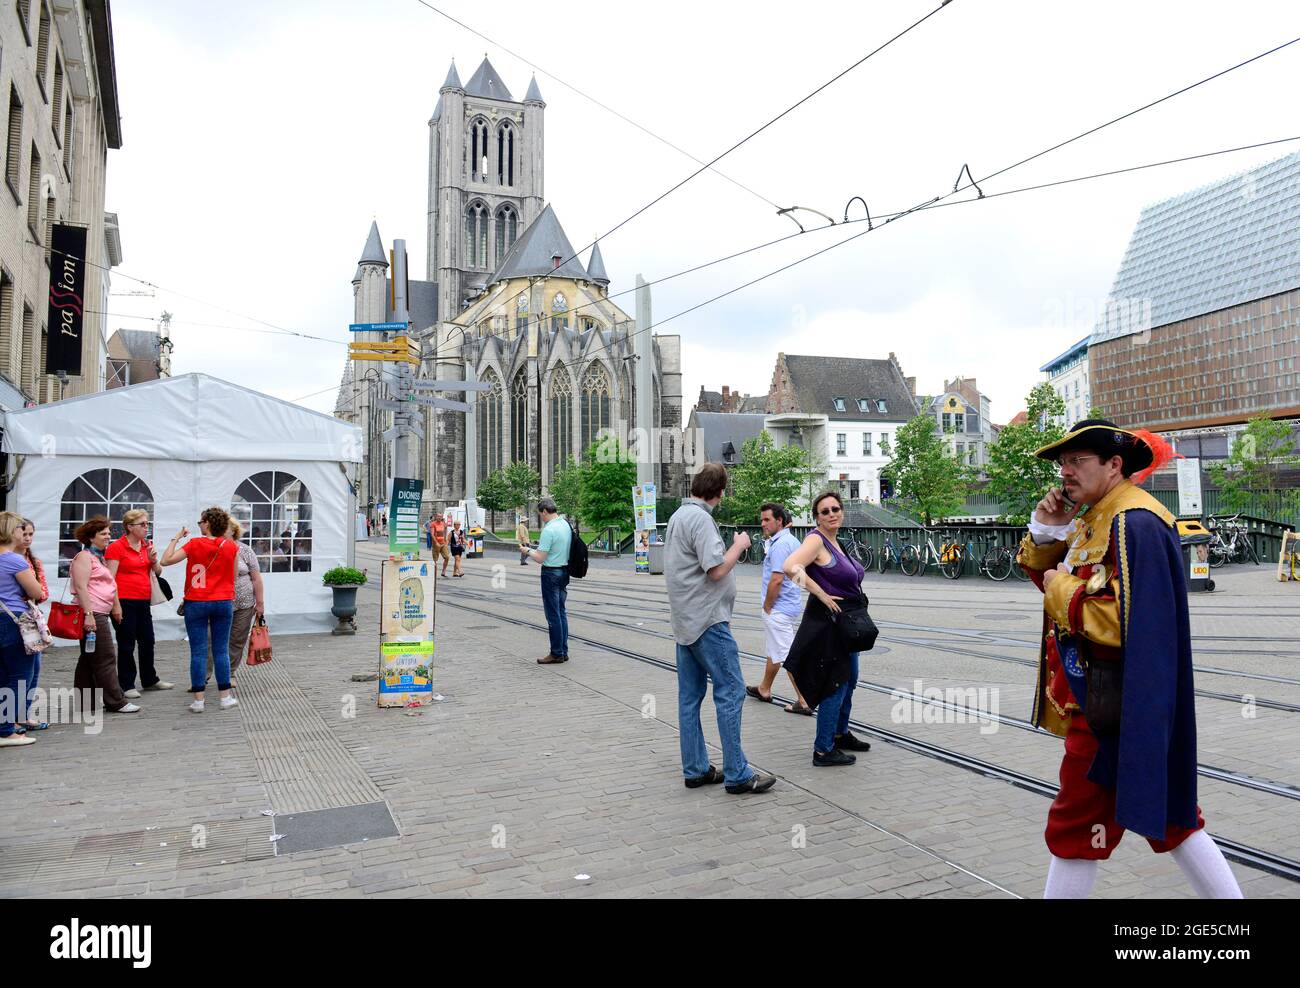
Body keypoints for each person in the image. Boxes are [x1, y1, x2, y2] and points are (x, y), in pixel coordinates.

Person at [1018, 419, 1242, 899]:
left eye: (1077, 461)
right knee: (1171, 820)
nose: (1065, 472)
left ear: (1114, 464)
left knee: (1076, 830)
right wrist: (1047, 535)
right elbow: (1064, 599)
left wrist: (1061, 582)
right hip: (1110, 702)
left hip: (1112, 709)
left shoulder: (1133, 520)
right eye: (1063, 462)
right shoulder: (1100, 514)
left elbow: (1123, 620)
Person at [664, 463, 776, 795]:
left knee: (689, 698)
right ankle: (737, 773)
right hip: (708, 621)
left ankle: (696, 769)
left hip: (685, 622)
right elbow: (715, 569)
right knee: (730, 691)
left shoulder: (677, 517)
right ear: (721, 492)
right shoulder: (700, 519)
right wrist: (739, 544)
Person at [782, 491, 873, 766]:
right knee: (837, 682)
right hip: (829, 624)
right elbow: (789, 567)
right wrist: (819, 593)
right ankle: (823, 749)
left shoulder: (836, 541)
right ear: (816, 517)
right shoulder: (816, 540)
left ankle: (840, 733)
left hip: (847, 623)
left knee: (850, 679)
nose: (832, 513)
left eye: (836, 508)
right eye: (825, 511)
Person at [160, 506, 240, 713]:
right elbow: (234, 577)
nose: (199, 525)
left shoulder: (194, 544)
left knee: (198, 652)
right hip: (222, 601)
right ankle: (225, 698)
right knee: (221, 649)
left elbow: (165, 560)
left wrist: (176, 538)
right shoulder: (231, 547)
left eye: (201, 522)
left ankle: (198, 700)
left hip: (196, 601)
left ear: (208, 523)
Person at [745, 502, 810, 714]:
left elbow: (776, 579)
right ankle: (764, 688)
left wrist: (767, 605)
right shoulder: (790, 540)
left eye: (767, 520)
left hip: (778, 608)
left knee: (787, 654)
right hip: (788, 604)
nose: (762, 524)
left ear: (779, 521)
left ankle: (804, 700)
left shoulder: (781, 545)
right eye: (761, 519)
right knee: (775, 650)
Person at [69, 517, 138, 715]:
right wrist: (89, 615)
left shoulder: (98, 557)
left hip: (100, 611)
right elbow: (81, 587)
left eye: (109, 533)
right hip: (93, 612)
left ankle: (85, 703)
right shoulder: (84, 557)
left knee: (89, 658)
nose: (108, 536)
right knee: (106, 657)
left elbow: (109, 585)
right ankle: (116, 701)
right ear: (91, 537)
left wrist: (115, 605)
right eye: (103, 533)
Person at [106, 509, 173, 698]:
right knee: (126, 643)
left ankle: (149, 679)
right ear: (129, 527)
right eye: (142, 524)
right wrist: (115, 605)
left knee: (147, 640)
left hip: (143, 600)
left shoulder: (146, 545)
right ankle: (126, 684)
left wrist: (153, 561)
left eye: (147, 524)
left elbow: (158, 572)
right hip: (124, 601)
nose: (146, 527)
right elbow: (110, 579)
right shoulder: (117, 547)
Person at [0, 512, 50, 746]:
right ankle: (6, 729)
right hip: (13, 620)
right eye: (21, 529)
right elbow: (37, 592)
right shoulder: (14, 560)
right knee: (20, 676)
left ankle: (5, 724)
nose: (24, 534)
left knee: (3, 675)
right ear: (11, 531)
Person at [206, 518, 265, 689]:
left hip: (244, 603)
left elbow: (256, 577)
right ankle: (204, 675)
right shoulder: (213, 548)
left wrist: (260, 603)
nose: (223, 531)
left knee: (237, 638)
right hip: (217, 601)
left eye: (227, 528)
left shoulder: (245, 551)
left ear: (234, 531)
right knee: (210, 638)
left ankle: (229, 673)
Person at [527, 497, 571, 664]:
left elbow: (539, 558)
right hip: (564, 571)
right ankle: (563, 650)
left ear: (545, 511)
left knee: (553, 615)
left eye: (541, 514)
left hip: (551, 573)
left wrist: (527, 550)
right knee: (561, 612)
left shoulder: (549, 529)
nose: (541, 518)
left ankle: (556, 652)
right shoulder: (565, 524)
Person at [16, 519, 49, 732]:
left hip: (32, 618)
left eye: (31, 534)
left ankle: (24, 713)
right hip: (15, 617)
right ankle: (12, 718)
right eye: (24, 534)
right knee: (18, 672)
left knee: (34, 668)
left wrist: (32, 591)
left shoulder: (33, 561)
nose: (28, 539)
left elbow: (42, 592)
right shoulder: (10, 560)